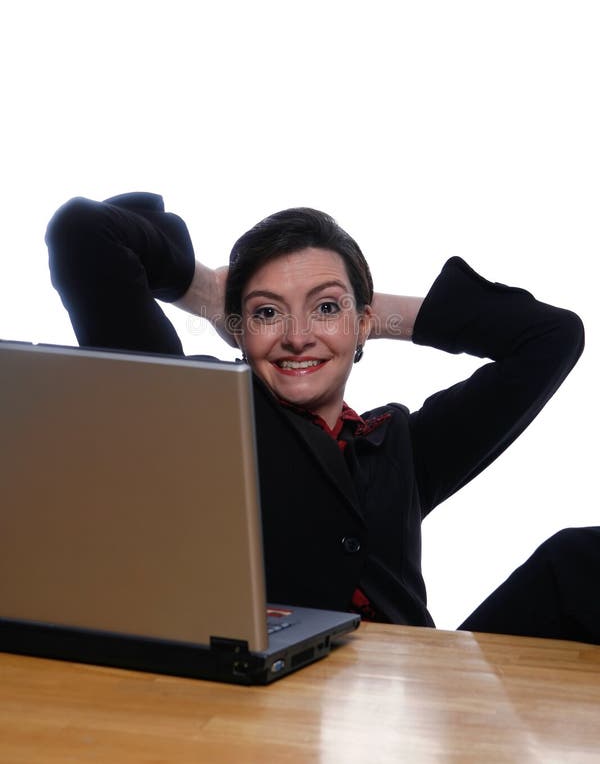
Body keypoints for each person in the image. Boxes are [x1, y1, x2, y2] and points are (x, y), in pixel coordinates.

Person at [45, 192, 599, 644]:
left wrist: (365, 314)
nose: (297, 335)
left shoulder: (400, 446)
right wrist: (209, 292)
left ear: (362, 324)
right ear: (240, 330)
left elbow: (550, 339)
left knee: (581, 563)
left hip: (418, 697)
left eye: (325, 308)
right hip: (271, 703)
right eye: (267, 312)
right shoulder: (199, 415)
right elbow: (83, 233)